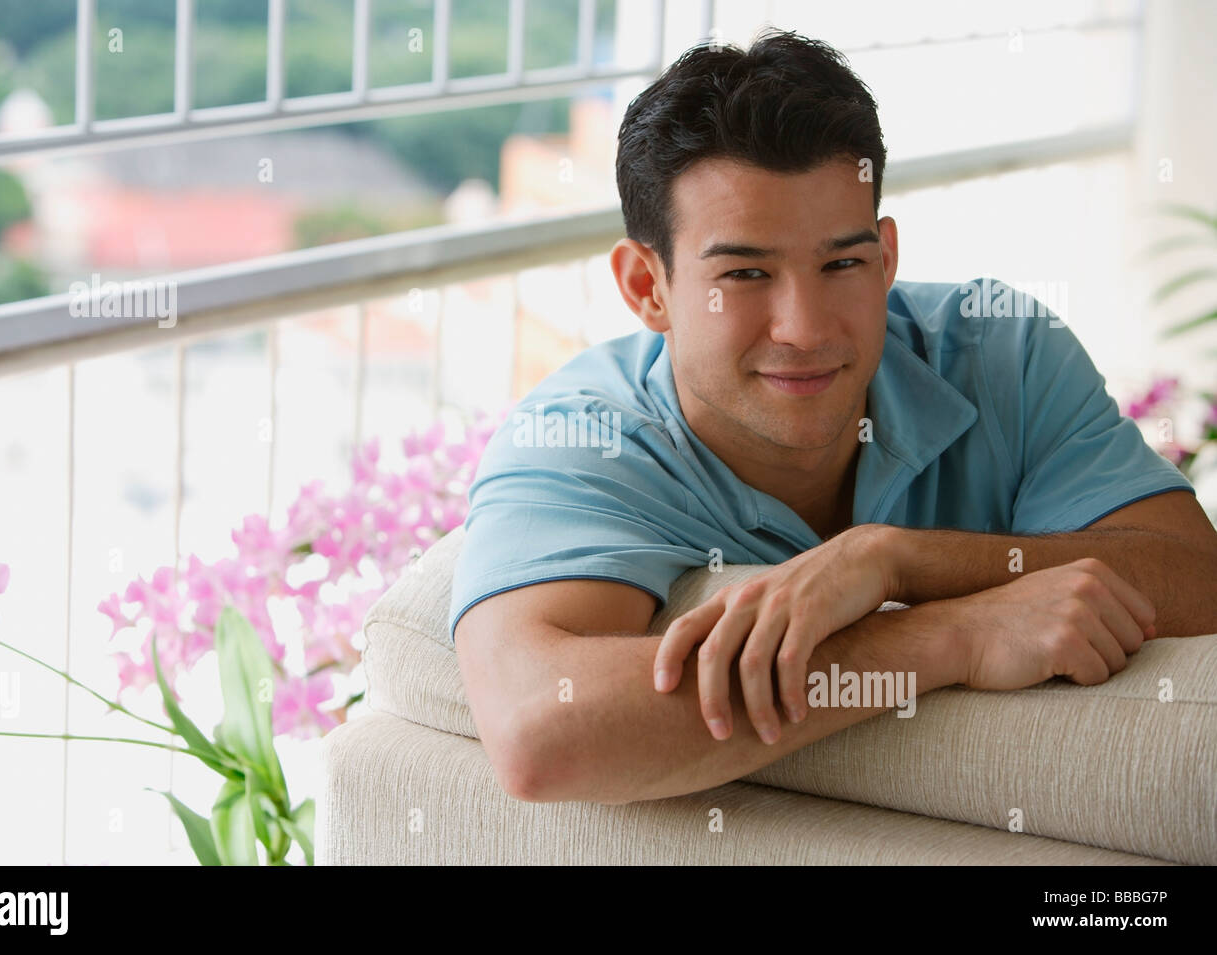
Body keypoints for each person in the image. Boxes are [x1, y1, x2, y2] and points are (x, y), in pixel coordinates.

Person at [448, 28, 1217, 805]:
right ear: (648, 287)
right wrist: (950, 633)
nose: (806, 328)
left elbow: (1201, 580)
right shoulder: (585, 438)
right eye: (746, 273)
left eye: (842, 264)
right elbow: (538, 733)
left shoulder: (1005, 352)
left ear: (885, 257)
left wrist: (890, 561)